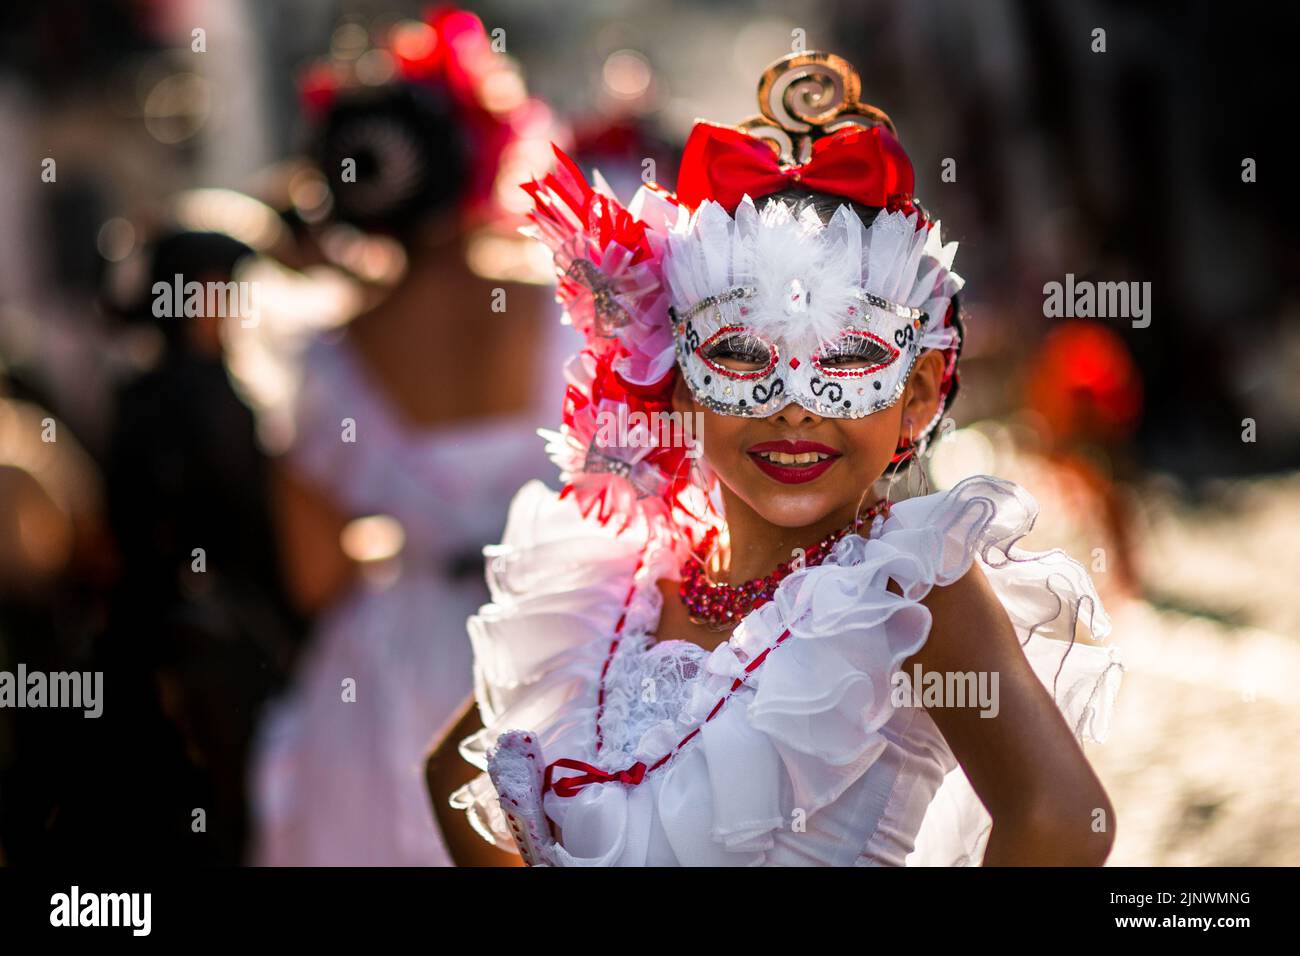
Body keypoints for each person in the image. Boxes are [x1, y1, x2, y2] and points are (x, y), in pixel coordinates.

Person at [425, 50, 1124, 867]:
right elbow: (452, 776)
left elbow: (1062, 822)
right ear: (680, 387)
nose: (795, 406)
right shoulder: (605, 586)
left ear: (921, 392)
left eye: (849, 359)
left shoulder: (902, 588)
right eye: (745, 358)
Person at [248, 7, 570, 866]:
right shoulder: (570, 309)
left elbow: (314, 574)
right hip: (564, 634)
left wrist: (404, 536)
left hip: (391, 672)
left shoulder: (321, 358)